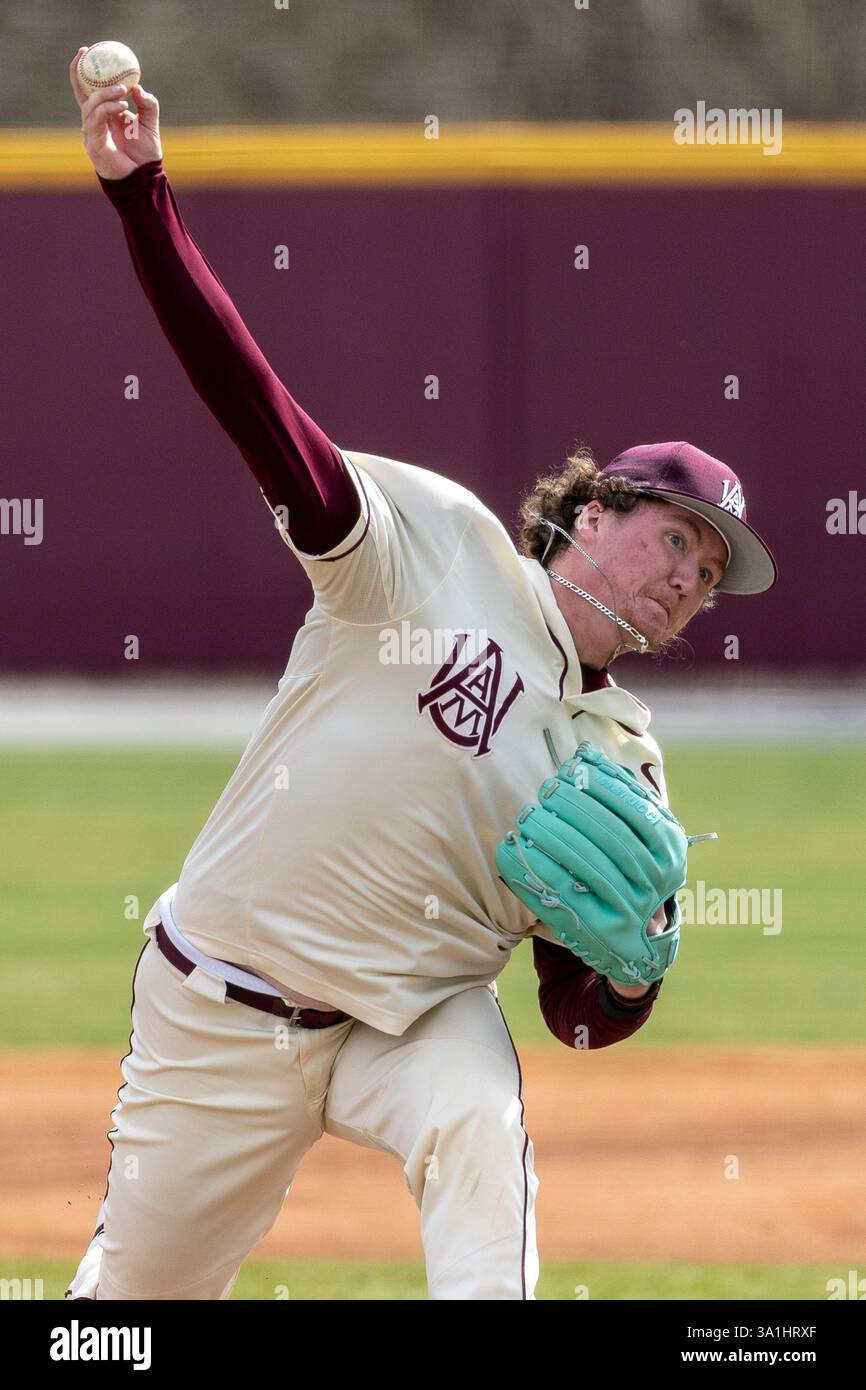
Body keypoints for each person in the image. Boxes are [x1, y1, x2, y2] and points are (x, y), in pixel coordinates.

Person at [65, 50, 776, 1301]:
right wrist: (144, 200)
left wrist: (629, 971)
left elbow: (571, 1013)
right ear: (595, 507)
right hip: (223, 1006)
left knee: (480, 1127)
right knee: (130, 1310)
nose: (685, 580)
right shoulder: (433, 546)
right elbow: (257, 405)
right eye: (674, 537)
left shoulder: (625, 761)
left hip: (409, 1022)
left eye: (707, 572)